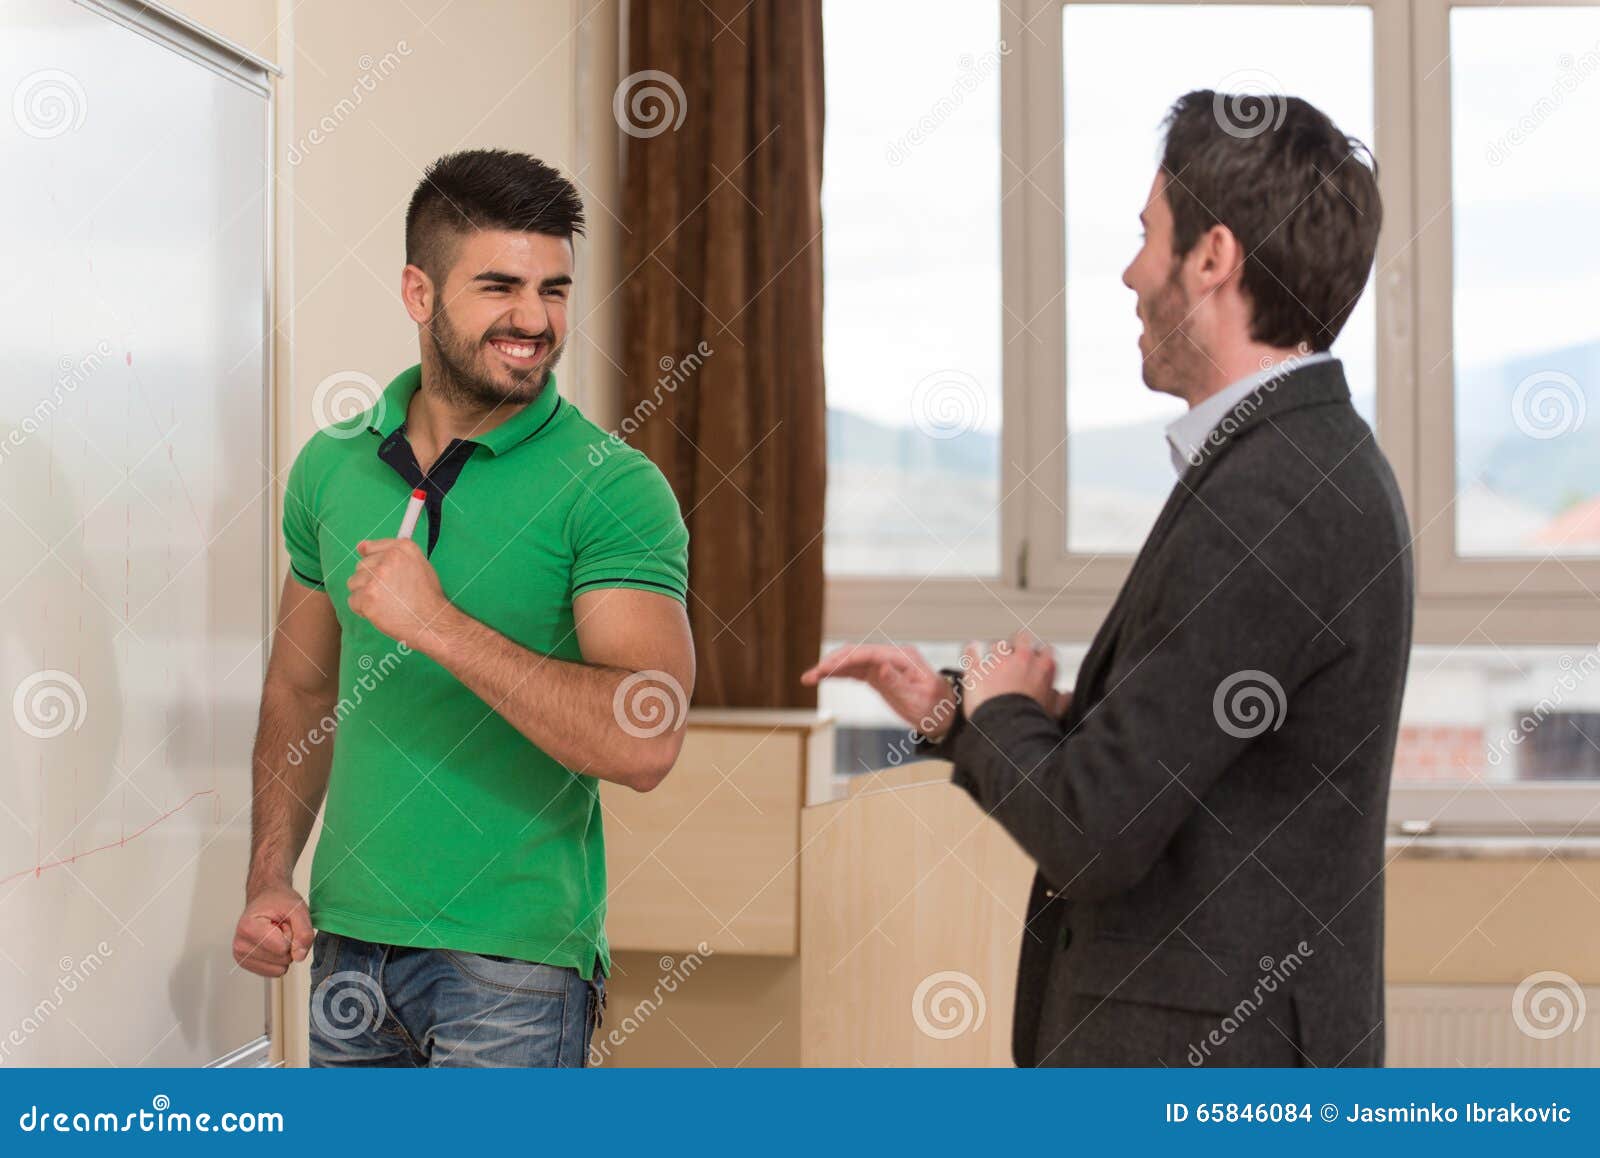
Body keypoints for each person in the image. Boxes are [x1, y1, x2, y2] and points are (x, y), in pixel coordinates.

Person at [805, 91, 1411, 1067]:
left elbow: (1094, 830)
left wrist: (1002, 711)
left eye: (1146, 236)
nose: (1131, 272)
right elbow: (1155, 755)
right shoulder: (1293, 463)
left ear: (1210, 259)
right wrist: (957, 714)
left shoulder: (1271, 498)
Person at [230, 149, 695, 1068]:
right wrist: (269, 876)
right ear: (418, 292)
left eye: (554, 289)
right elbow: (300, 688)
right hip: (349, 948)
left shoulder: (612, 488)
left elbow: (647, 739)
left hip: (514, 966)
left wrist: (437, 626)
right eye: (499, 287)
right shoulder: (332, 466)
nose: (534, 319)